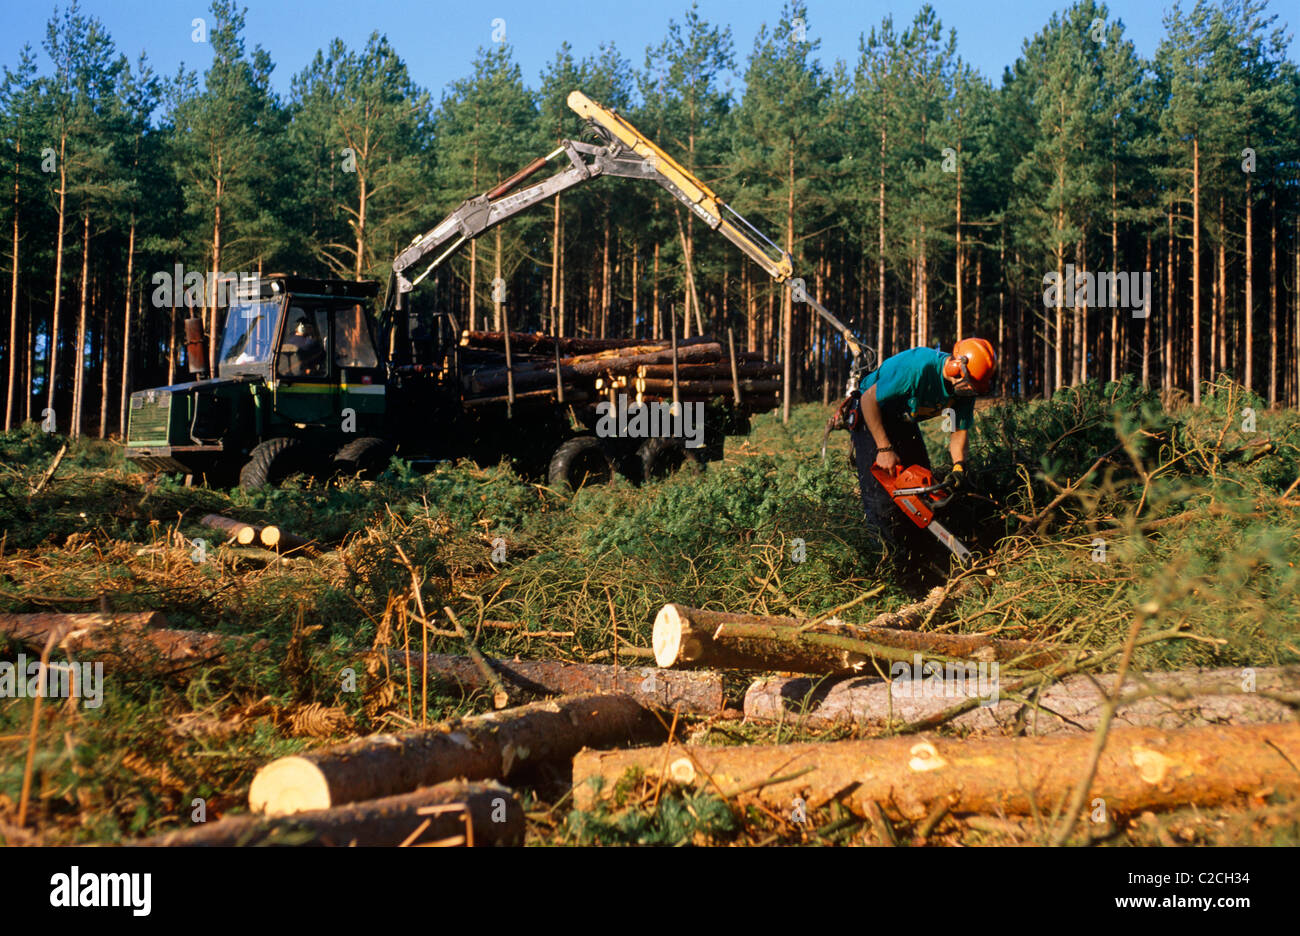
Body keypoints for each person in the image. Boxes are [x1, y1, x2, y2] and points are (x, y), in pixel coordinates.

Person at [847, 338, 997, 560]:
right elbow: (869, 401)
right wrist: (884, 448)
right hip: (870, 414)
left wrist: (958, 467)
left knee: (923, 487)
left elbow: (958, 432)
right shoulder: (917, 369)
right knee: (882, 502)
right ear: (957, 367)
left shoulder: (966, 390)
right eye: (969, 385)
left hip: (903, 421)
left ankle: (925, 558)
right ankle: (887, 565)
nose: (969, 392)